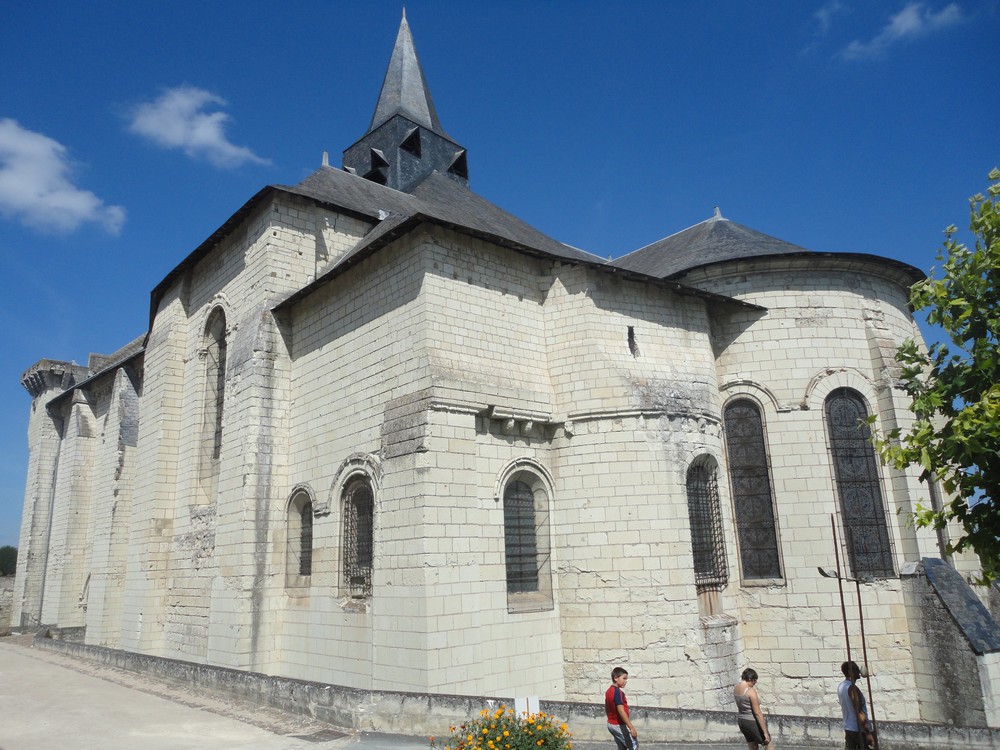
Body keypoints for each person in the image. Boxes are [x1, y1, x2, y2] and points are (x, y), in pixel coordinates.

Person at [837, 661, 875, 750]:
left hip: (848, 727)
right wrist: (868, 732)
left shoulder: (841, 686)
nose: (859, 671)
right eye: (856, 669)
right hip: (858, 729)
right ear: (850, 672)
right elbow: (859, 711)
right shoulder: (852, 689)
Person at [733, 667, 771, 749]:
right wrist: (765, 732)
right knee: (769, 744)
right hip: (751, 721)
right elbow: (757, 713)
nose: (755, 683)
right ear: (750, 679)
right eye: (754, 680)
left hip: (742, 722)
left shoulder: (736, 688)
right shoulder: (750, 691)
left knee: (753, 746)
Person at [605, 666, 638, 750]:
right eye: (624, 678)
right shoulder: (617, 692)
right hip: (619, 724)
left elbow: (607, 708)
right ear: (616, 678)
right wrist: (631, 728)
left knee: (622, 747)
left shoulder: (608, 691)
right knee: (634, 747)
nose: (625, 681)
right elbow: (621, 711)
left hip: (611, 724)